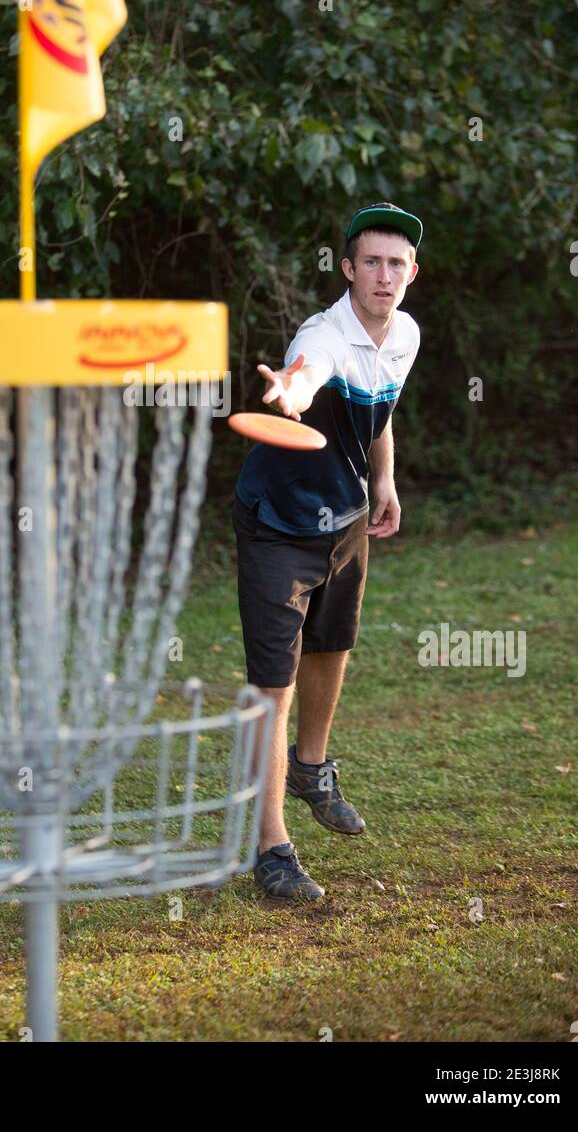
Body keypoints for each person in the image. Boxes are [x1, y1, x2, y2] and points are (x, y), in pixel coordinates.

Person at [232, 202, 423, 900]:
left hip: (345, 520)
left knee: (332, 647)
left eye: (395, 263)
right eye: (369, 261)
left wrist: (384, 479)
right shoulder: (324, 333)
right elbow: (310, 372)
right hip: (279, 525)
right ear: (347, 268)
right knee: (272, 686)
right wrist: (292, 387)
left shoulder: (403, 332)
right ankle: (272, 850)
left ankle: (310, 767)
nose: (382, 275)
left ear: (411, 273)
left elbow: (382, 409)